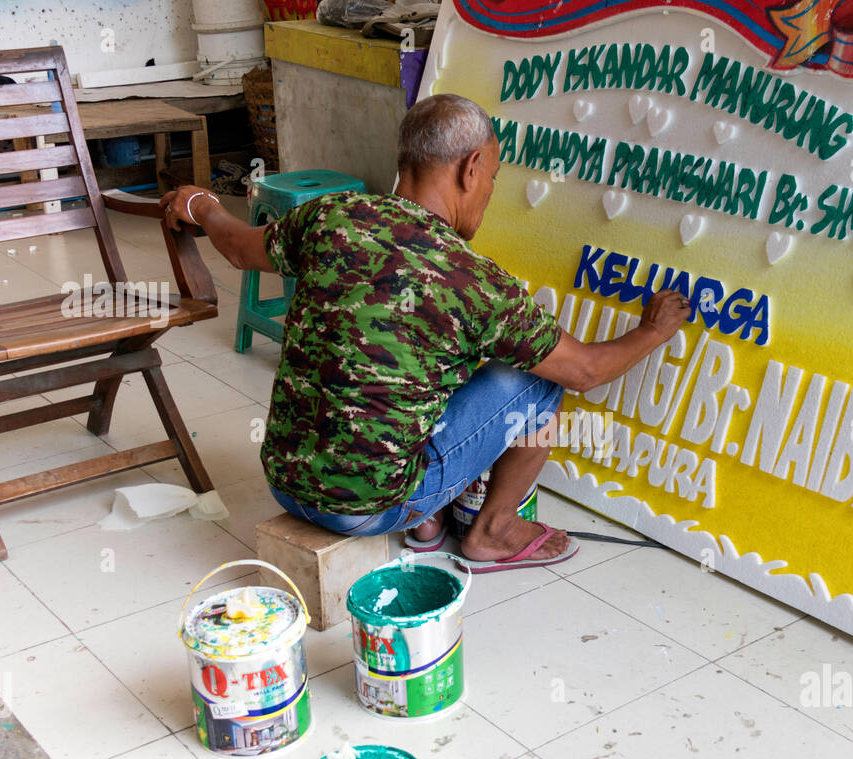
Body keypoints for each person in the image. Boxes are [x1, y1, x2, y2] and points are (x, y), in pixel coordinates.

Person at [160, 93, 689, 571]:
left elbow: (235, 246)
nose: (488, 191)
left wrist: (200, 204)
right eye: (494, 176)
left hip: (284, 483)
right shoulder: (476, 283)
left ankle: (428, 521)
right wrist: (653, 330)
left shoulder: (330, 217)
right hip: (369, 510)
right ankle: (492, 530)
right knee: (541, 380)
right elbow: (587, 372)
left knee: (427, 358)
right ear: (472, 167)